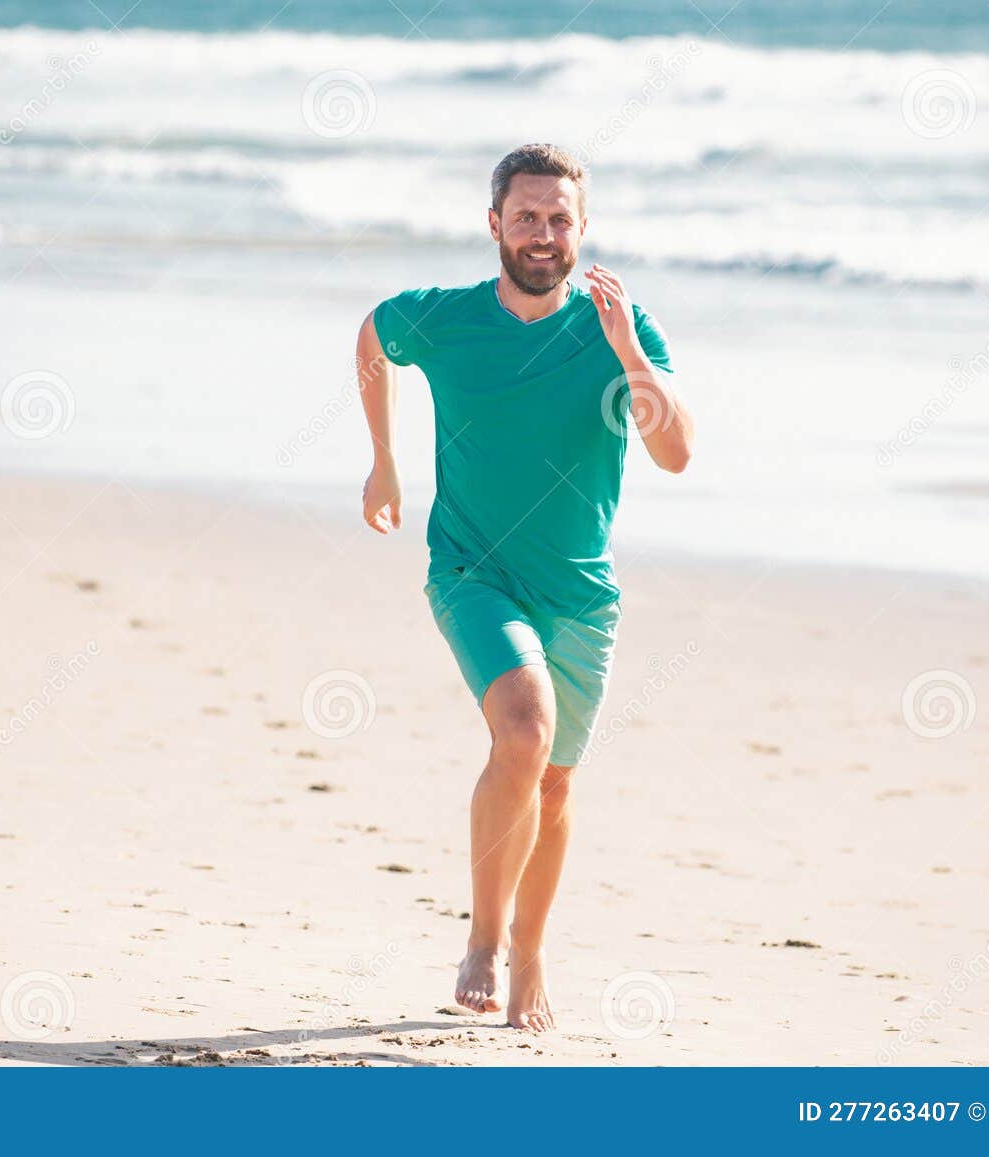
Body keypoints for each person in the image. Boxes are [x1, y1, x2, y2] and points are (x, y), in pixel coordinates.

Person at [354, 143, 695, 1032]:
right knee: (524, 726)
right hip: (473, 571)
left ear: (581, 228)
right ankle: (483, 937)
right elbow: (373, 335)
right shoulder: (448, 319)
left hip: (581, 594)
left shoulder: (620, 325)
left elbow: (677, 451)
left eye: (559, 219)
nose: (543, 235)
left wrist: (628, 355)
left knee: (550, 785)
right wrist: (384, 462)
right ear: (494, 224)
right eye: (526, 217)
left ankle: (532, 955)